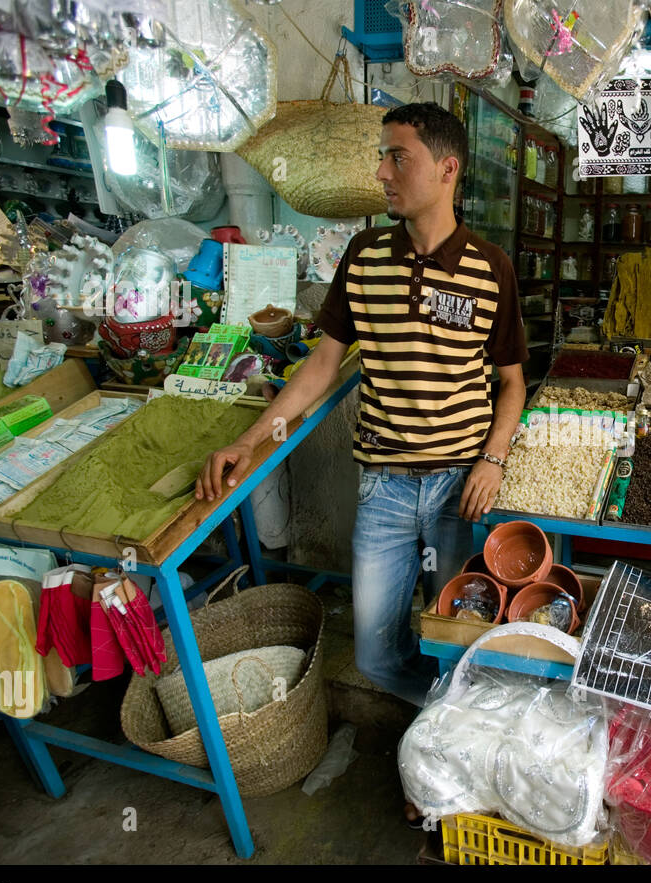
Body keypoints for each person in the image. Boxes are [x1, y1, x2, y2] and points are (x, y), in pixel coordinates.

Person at [196, 101, 528, 708]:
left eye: (398, 157)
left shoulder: (490, 268)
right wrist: (250, 440)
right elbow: (321, 364)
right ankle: (436, 723)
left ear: (447, 169)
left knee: (461, 636)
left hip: (460, 487)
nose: (381, 173)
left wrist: (494, 458)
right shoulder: (363, 255)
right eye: (382, 156)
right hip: (385, 488)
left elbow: (512, 381)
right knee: (375, 653)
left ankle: (438, 752)